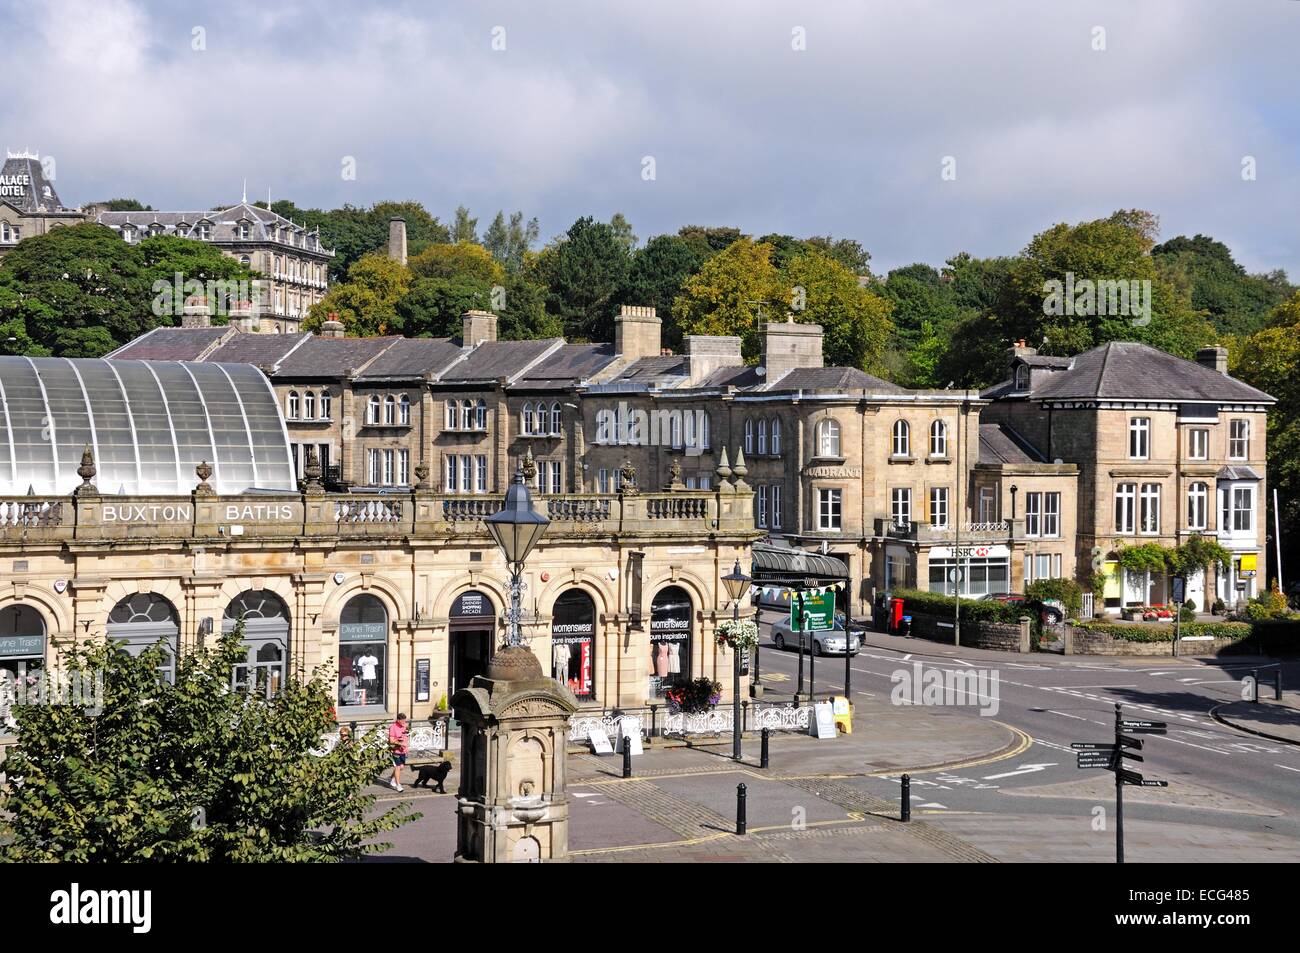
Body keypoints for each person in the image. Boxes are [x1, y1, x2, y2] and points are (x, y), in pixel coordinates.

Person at [387, 713, 409, 792]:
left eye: (404, 721)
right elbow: (391, 740)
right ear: (398, 720)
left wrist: (406, 747)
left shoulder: (404, 726)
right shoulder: (393, 727)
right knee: (397, 767)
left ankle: (391, 778)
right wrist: (400, 743)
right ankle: (398, 785)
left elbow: (405, 736)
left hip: (403, 750)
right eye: (402, 721)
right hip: (395, 750)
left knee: (401, 767)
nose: (404, 722)